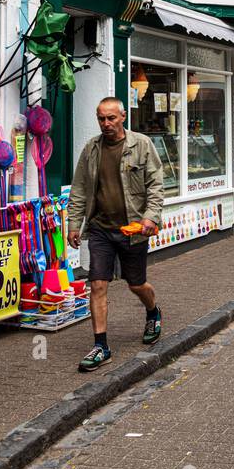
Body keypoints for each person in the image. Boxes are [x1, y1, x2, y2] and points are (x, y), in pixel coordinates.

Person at [67, 97, 166, 372]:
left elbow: (156, 186)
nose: (106, 123)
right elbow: (79, 190)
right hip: (100, 228)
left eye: (111, 118)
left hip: (133, 230)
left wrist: (150, 217)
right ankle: (101, 346)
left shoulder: (141, 145)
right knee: (97, 284)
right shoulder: (91, 149)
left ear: (123, 116)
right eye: (101, 118)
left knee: (136, 284)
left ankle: (153, 311)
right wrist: (74, 224)